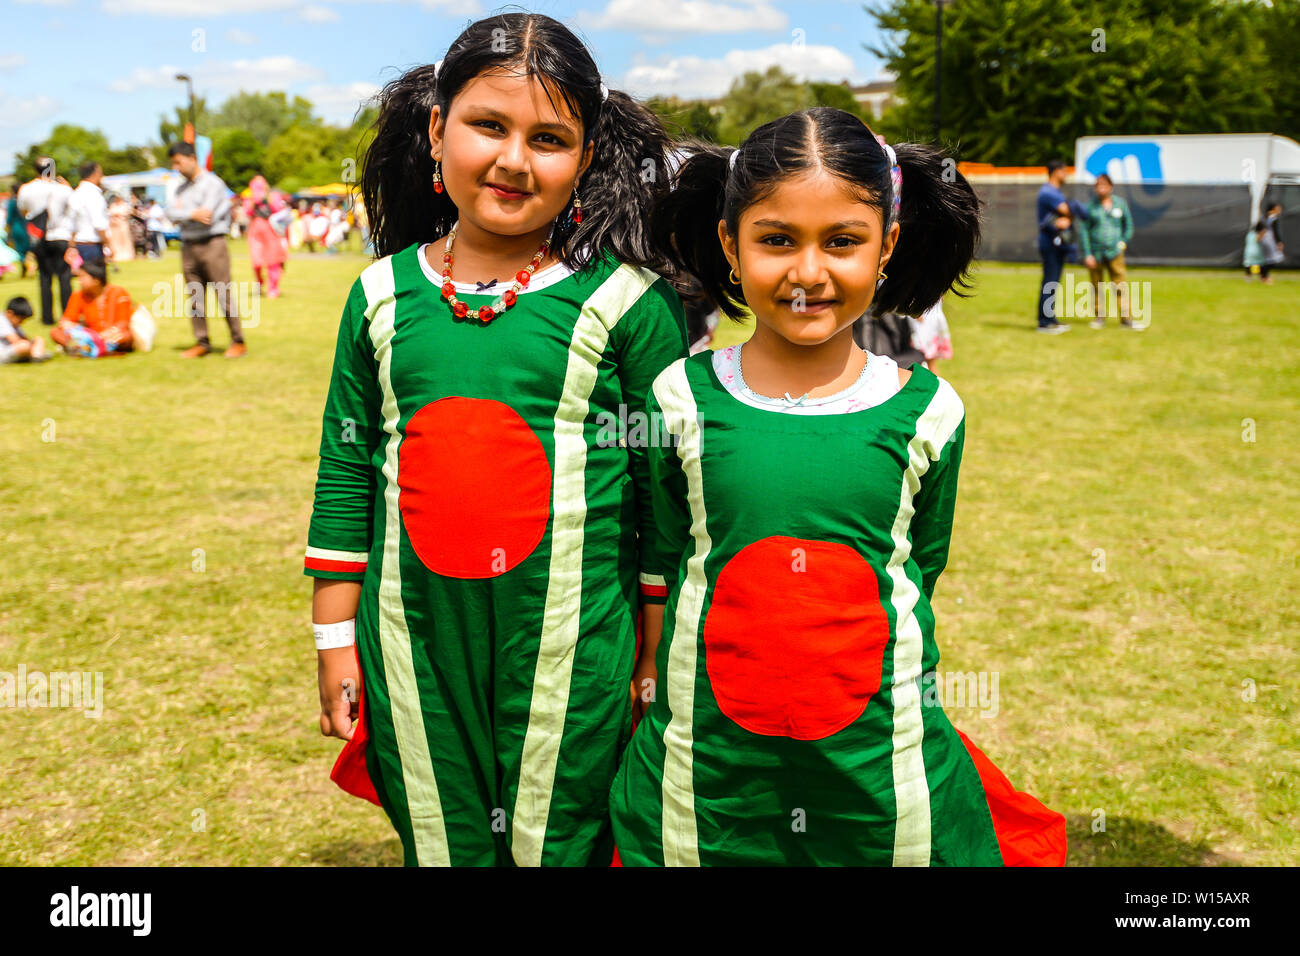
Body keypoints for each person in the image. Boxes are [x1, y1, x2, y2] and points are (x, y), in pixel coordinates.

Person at [609, 108, 1067, 867]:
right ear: (731, 244)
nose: (809, 272)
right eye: (777, 239)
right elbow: (662, 554)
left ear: (887, 244)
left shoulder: (931, 411)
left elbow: (920, 566)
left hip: (874, 766)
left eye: (843, 241)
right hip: (709, 763)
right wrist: (651, 671)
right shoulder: (677, 398)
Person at [305, 12, 687, 867]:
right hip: (412, 644)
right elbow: (345, 472)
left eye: (549, 138)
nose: (515, 159)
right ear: (438, 129)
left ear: (585, 159)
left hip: (576, 652)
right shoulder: (378, 296)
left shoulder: (628, 304)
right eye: (489, 125)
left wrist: (654, 659)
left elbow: (666, 506)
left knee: (562, 843)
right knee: (441, 841)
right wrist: (335, 640)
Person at [166, 141, 244, 358]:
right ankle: (202, 341)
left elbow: (207, 215)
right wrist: (191, 214)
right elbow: (170, 213)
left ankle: (238, 340)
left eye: (178, 162)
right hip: (188, 246)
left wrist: (184, 213)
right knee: (195, 297)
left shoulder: (213, 183)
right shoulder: (180, 187)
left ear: (192, 158)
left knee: (223, 293)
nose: (176, 168)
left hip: (212, 244)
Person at [17, 158, 75, 325]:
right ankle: (67, 315)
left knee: (44, 277)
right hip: (61, 234)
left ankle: (47, 317)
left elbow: (23, 211)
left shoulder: (26, 188)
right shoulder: (62, 189)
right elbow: (73, 208)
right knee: (64, 277)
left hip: (40, 236)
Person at [1077, 173, 1135, 329]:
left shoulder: (1120, 204)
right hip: (1096, 252)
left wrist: (1122, 243)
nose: (1101, 188)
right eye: (1098, 185)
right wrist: (1087, 253)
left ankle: (1126, 318)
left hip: (1115, 251)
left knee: (1120, 284)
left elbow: (1128, 226)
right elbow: (1084, 230)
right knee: (1097, 285)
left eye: (1104, 185)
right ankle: (1099, 317)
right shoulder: (1090, 206)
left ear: (1111, 187)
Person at [49, 260, 135, 356]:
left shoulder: (118, 292)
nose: (79, 281)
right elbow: (67, 319)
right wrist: (70, 325)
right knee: (55, 332)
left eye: (82, 277)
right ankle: (91, 349)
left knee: (125, 336)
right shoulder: (78, 296)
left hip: (112, 335)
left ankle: (85, 349)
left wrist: (106, 334)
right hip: (89, 336)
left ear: (96, 280)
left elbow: (123, 322)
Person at [1035, 159, 1073, 333]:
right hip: (1050, 243)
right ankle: (1044, 322)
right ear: (1056, 171)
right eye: (1064, 171)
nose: (1066, 175)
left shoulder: (1053, 191)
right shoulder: (1049, 192)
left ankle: (1050, 318)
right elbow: (1068, 210)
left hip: (1056, 243)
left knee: (1053, 282)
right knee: (1050, 281)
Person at [243, 175, 287, 298]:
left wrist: (268, 198)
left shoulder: (273, 197)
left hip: (271, 229)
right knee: (256, 261)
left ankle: (273, 288)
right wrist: (253, 201)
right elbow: (247, 211)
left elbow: (279, 210)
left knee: (273, 260)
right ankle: (259, 283)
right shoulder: (250, 198)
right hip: (256, 231)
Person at [67, 161, 112, 267]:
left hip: (79, 244)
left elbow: (71, 224)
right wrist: (109, 244)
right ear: (95, 173)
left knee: (85, 280)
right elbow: (99, 223)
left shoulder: (76, 193)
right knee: (96, 280)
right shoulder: (94, 194)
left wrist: (71, 246)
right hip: (93, 245)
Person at [1, 296, 49, 363]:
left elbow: (25, 338)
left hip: (14, 350)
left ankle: (36, 356)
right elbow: (15, 340)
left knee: (38, 340)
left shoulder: (14, 324)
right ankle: (37, 355)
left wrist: (34, 343)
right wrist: (32, 346)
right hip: (3, 352)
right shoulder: (2, 321)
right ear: (10, 313)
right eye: (20, 319)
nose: (22, 322)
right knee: (24, 346)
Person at [4, 185, 31, 277]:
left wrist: (7, 229)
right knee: (28, 247)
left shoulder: (12, 202)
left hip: (17, 227)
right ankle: (30, 265)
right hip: (28, 227)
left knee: (20, 249)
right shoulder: (25, 200)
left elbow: (9, 218)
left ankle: (25, 266)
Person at [108, 193, 135, 262]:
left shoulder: (125, 205)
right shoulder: (113, 205)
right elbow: (110, 213)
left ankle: (126, 255)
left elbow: (127, 214)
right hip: (114, 226)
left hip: (122, 225)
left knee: (124, 239)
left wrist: (119, 216)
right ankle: (116, 254)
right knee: (115, 240)